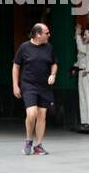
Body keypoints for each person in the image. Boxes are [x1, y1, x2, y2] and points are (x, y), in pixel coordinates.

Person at [12, 23, 58, 155]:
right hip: (28, 85)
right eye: (46, 33)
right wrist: (15, 85)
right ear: (38, 35)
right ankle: (28, 140)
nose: (49, 35)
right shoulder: (24, 47)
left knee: (42, 115)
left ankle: (38, 145)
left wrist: (53, 74)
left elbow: (54, 63)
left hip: (44, 86)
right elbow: (16, 66)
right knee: (32, 114)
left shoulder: (49, 47)